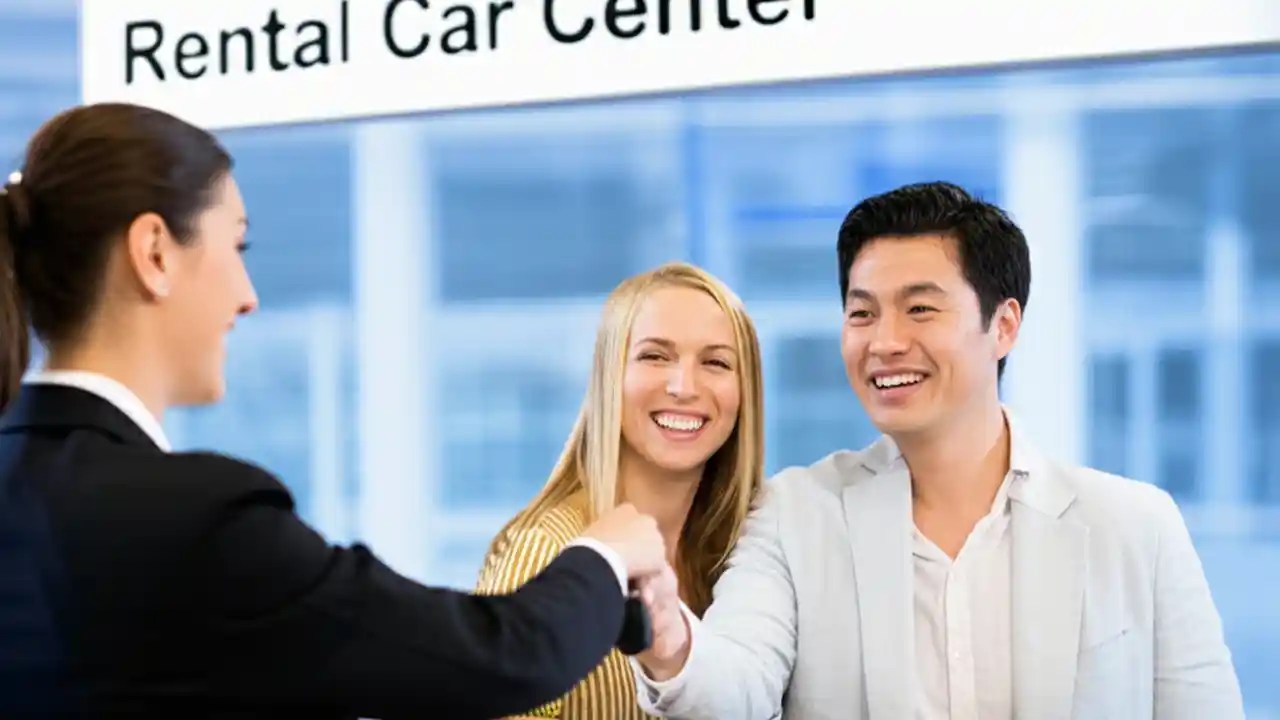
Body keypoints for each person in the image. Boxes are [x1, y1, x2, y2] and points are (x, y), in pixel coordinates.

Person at [0, 102, 672, 719]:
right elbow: (496, 659)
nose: (247, 295)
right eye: (237, 246)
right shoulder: (194, 520)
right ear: (153, 254)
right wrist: (603, 556)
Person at [629, 182, 1245, 719]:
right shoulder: (796, 513)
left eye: (920, 309)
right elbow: (732, 688)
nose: (885, 342)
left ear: (1002, 326)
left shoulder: (1137, 528)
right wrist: (666, 633)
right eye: (862, 313)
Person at [475, 262, 766, 719]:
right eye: (655, 356)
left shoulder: (748, 559)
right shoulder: (546, 556)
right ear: (610, 376)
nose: (684, 387)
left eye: (715, 362)